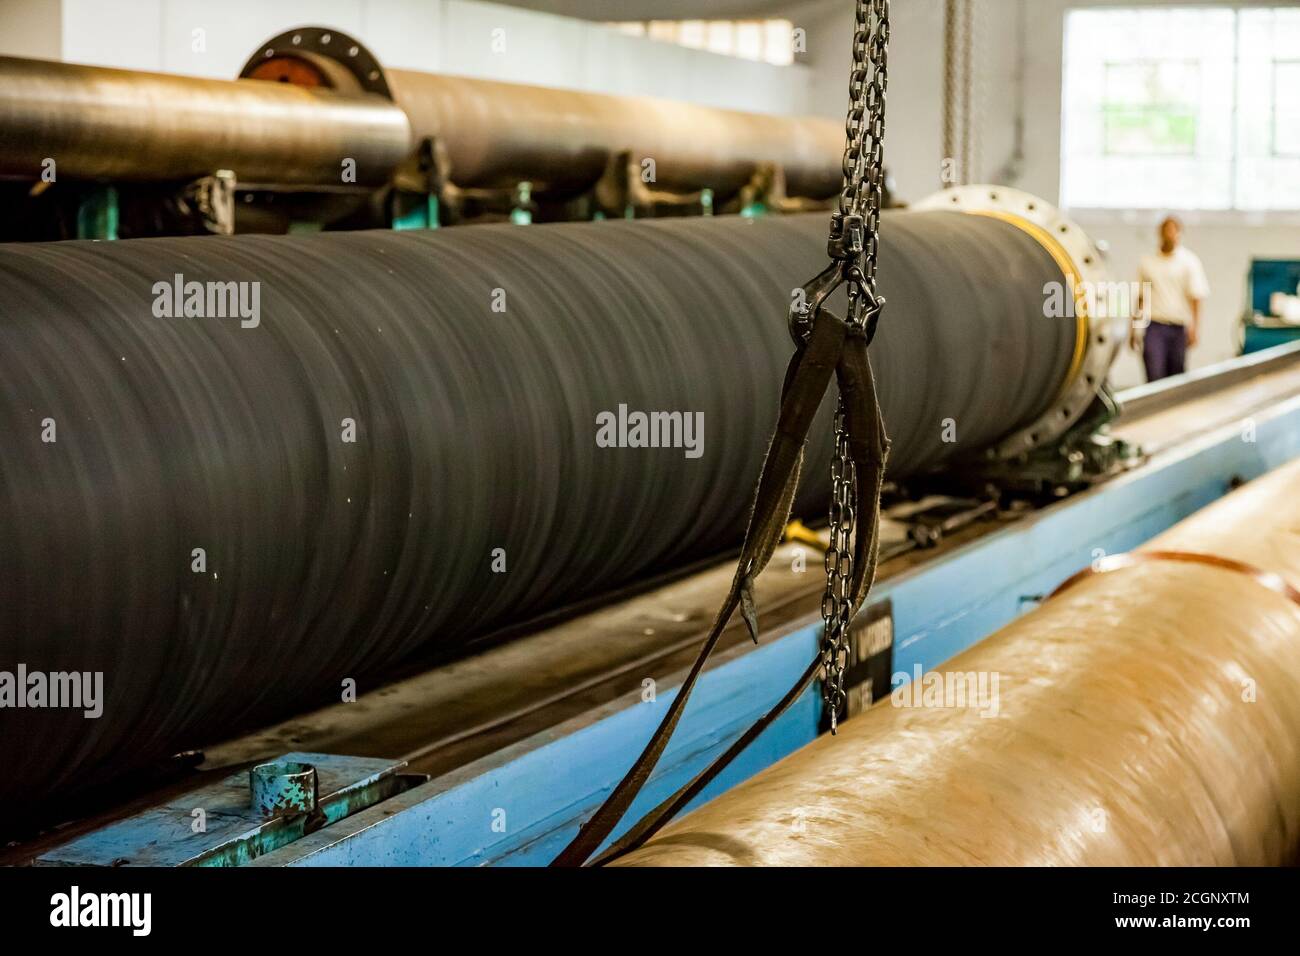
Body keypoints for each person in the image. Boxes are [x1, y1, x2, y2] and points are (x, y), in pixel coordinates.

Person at [1132, 216, 1210, 381]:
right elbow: (1140, 297)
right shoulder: (1147, 262)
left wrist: (1195, 327)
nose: (1170, 235)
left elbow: (1196, 297)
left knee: (1175, 377)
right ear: (1160, 233)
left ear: (1179, 234)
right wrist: (1134, 328)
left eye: (1173, 231)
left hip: (1178, 327)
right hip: (1154, 326)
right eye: (1166, 230)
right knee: (1154, 373)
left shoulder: (1189, 262)